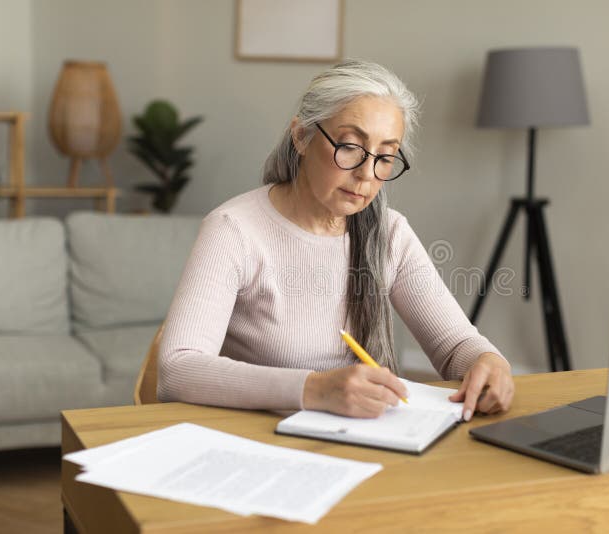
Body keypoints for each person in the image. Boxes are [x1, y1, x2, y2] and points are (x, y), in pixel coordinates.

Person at [158, 59, 514, 422]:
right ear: (301, 136)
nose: (365, 174)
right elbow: (178, 369)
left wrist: (489, 362)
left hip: (363, 439)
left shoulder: (389, 234)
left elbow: (455, 345)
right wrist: (315, 390)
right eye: (349, 146)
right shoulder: (232, 230)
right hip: (262, 441)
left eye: (385, 156)